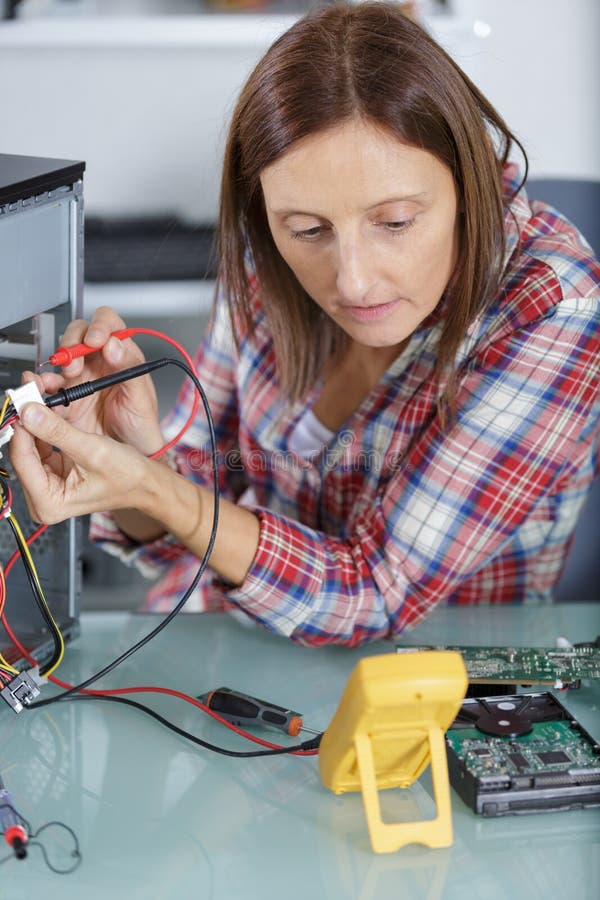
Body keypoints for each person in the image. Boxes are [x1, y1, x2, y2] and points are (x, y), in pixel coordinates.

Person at [9, 2, 600, 647]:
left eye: (396, 222)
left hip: (443, 675)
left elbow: (376, 591)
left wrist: (159, 490)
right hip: (238, 649)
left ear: (470, 178)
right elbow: (193, 511)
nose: (351, 281)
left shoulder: (554, 306)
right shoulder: (264, 255)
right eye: (309, 230)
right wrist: (135, 460)